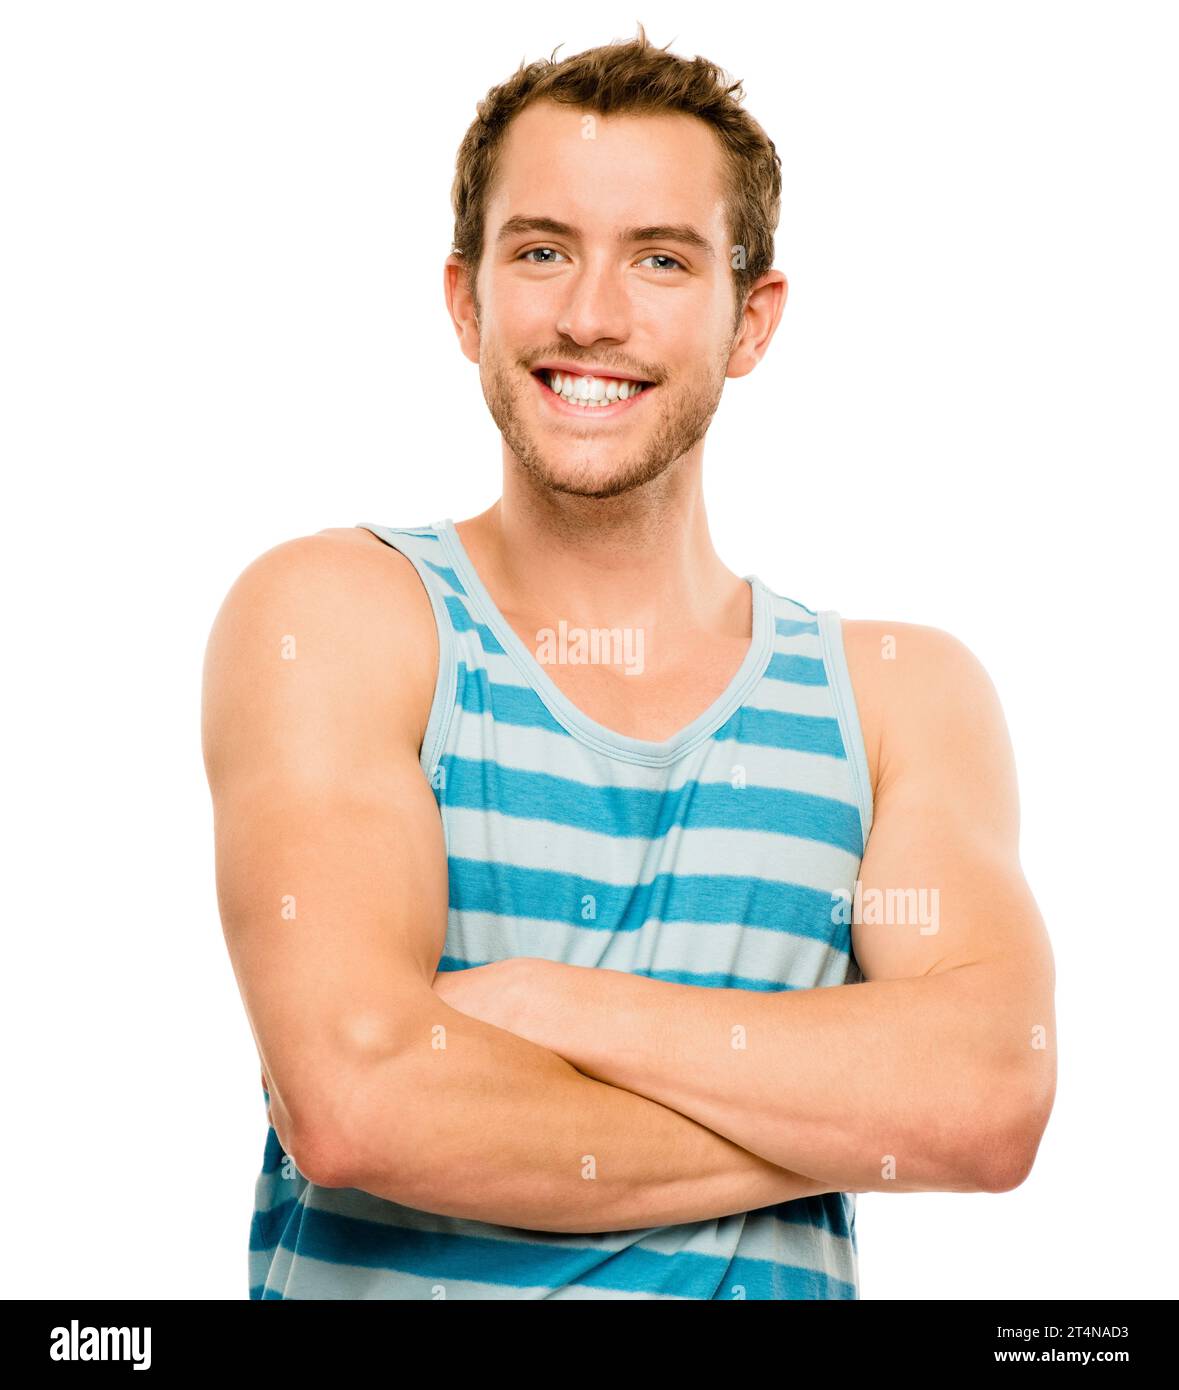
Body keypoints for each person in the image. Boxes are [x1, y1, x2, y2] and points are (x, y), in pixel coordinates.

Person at [201, 26, 1056, 1300]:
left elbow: (988, 1097)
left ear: (752, 318)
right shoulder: (340, 616)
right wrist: (837, 1114)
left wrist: (551, 1006)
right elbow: (359, 1100)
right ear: (464, 300)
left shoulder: (894, 696)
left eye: (662, 260)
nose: (591, 316)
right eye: (541, 251)